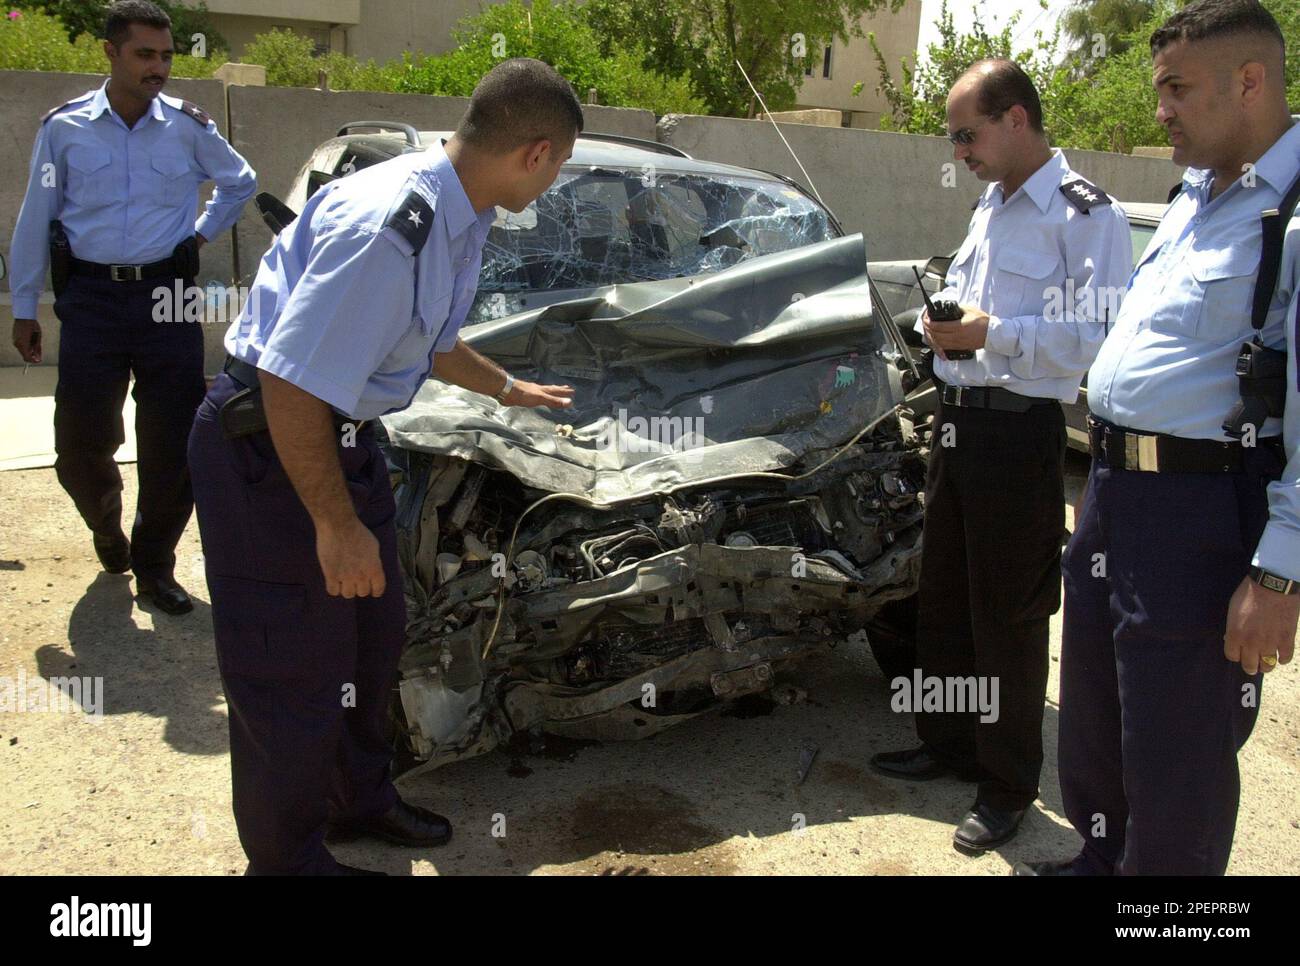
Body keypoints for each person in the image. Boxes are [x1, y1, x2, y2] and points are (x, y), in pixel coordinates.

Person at [187, 57, 581, 875]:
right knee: (289, 671)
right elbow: (288, 381)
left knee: (369, 644)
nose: (552, 185)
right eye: (560, 168)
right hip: (269, 450)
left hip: (343, 440)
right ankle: (287, 859)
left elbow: (429, 343)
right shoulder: (388, 230)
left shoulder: (458, 214)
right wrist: (334, 526)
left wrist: (508, 389)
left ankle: (357, 801)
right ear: (536, 154)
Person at [1017, 0, 1299, 877]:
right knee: (1099, 726)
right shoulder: (1194, 198)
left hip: (1201, 516)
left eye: (1177, 89)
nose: (1161, 110)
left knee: (1179, 757)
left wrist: (1279, 571)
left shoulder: (1291, 215)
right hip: (1113, 495)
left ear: (1249, 80)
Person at [870, 59, 1133, 855]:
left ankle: (1007, 783)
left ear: (1016, 119)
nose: (958, 152)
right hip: (958, 423)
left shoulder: (1088, 216)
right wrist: (939, 327)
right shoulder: (991, 204)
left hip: (1020, 436)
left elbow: (1096, 339)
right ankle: (947, 743)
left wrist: (992, 335)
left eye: (966, 134)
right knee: (943, 596)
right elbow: (967, 306)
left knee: (1010, 619)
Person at [8, 0, 256, 615]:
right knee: (80, 439)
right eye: (145, 54)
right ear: (110, 53)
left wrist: (199, 234)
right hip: (89, 299)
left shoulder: (187, 126)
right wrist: (24, 306)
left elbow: (240, 180)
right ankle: (106, 523)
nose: (160, 68)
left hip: (166, 298)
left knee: (174, 440)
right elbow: (36, 218)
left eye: (167, 55)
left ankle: (155, 566)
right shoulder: (64, 128)